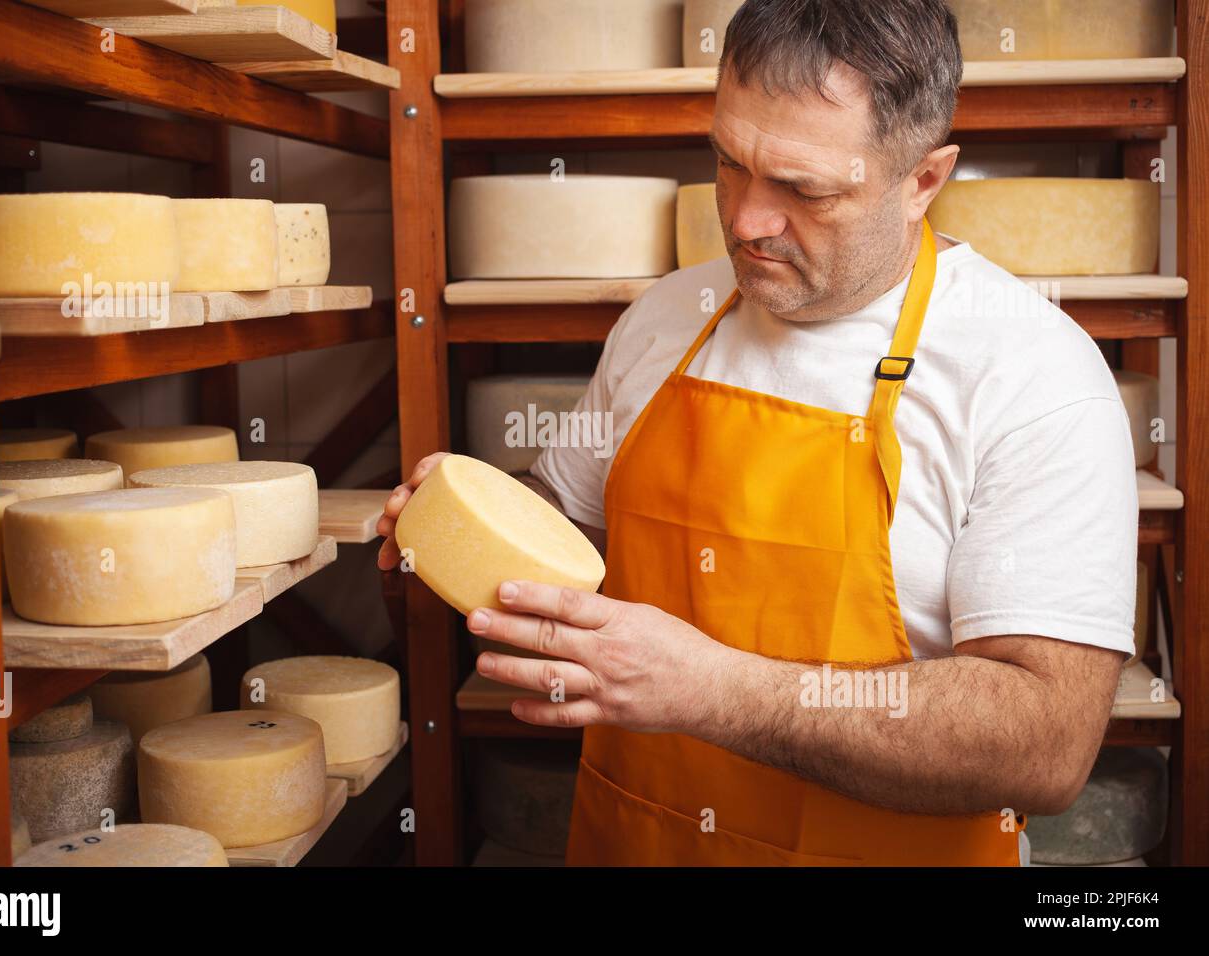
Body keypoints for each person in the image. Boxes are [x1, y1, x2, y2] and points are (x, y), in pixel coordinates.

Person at [378, 0, 1138, 866]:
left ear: (925, 179)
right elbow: (561, 524)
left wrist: (712, 692)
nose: (745, 220)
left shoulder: (1033, 373)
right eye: (729, 162)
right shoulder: (665, 318)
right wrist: (456, 524)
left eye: (804, 189)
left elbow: (1044, 745)